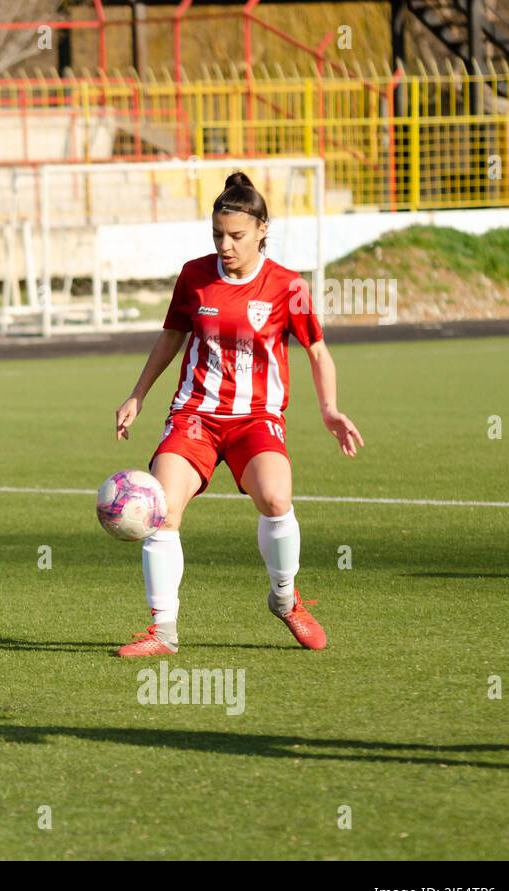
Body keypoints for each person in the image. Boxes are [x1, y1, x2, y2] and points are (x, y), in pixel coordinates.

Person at [112, 171, 363, 657]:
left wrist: (329, 409)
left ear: (263, 229)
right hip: (195, 416)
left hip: (256, 418)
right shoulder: (194, 275)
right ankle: (163, 632)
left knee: (274, 497)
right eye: (217, 236)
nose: (225, 245)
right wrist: (137, 394)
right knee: (162, 510)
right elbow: (171, 337)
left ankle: (286, 599)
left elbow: (317, 351)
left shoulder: (288, 286)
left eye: (236, 236)